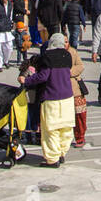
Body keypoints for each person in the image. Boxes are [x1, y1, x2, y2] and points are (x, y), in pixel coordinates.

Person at [21, 33, 76, 167]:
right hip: (68, 97)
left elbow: (43, 76)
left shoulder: (47, 57)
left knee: (50, 130)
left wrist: (26, 80)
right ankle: (62, 153)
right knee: (65, 127)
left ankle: (52, 159)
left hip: (51, 97)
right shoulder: (67, 56)